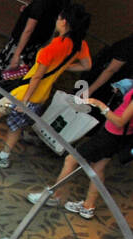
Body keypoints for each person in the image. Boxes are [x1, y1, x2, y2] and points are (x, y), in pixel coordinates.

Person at [0, 4, 92, 169]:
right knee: (16, 126)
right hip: (42, 96)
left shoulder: (53, 47)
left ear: (64, 22)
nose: (57, 20)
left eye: (59, 18)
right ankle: (4, 156)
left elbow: (37, 76)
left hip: (23, 93)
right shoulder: (79, 45)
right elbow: (86, 65)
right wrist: (61, 67)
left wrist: (23, 101)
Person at [26, 77, 133, 220]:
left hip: (111, 135)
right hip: (118, 136)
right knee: (98, 168)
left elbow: (120, 122)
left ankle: (55, 195)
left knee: (71, 159)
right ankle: (88, 206)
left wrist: (100, 105)